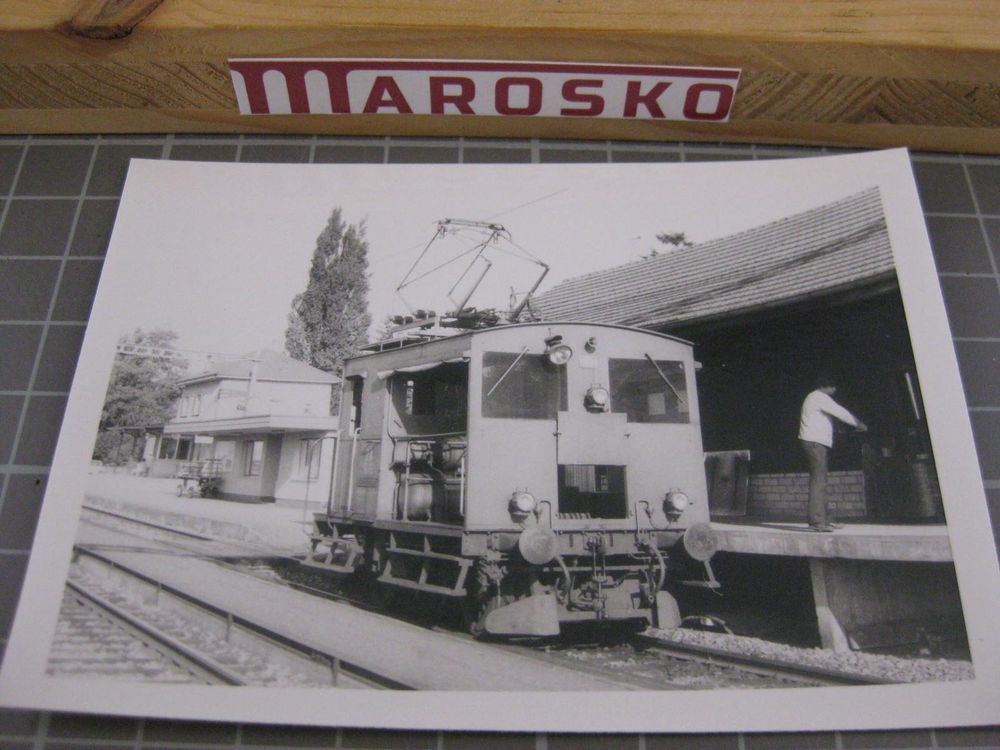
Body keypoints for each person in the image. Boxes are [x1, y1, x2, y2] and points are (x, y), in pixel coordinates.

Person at [799, 374, 867, 532]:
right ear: (826, 385)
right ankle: (817, 522)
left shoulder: (815, 397)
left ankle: (824, 519)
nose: (835, 389)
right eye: (833, 386)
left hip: (816, 442)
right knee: (818, 481)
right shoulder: (819, 397)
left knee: (821, 481)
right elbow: (840, 412)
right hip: (815, 443)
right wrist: (859, 424)